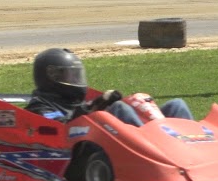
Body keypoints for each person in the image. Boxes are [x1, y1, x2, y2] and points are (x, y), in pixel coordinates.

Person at [25, 48, 193, 128]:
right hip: (75, 151)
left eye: (76, 75)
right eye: (69, 76)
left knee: (176, 104)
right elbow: (61, 125)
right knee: (119, 108)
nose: (75, 81)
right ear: (50, 77)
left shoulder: (77, 101)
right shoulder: (40, 107)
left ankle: (194, 148)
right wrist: (93, 106)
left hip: (106, 140)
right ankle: (157, 148)